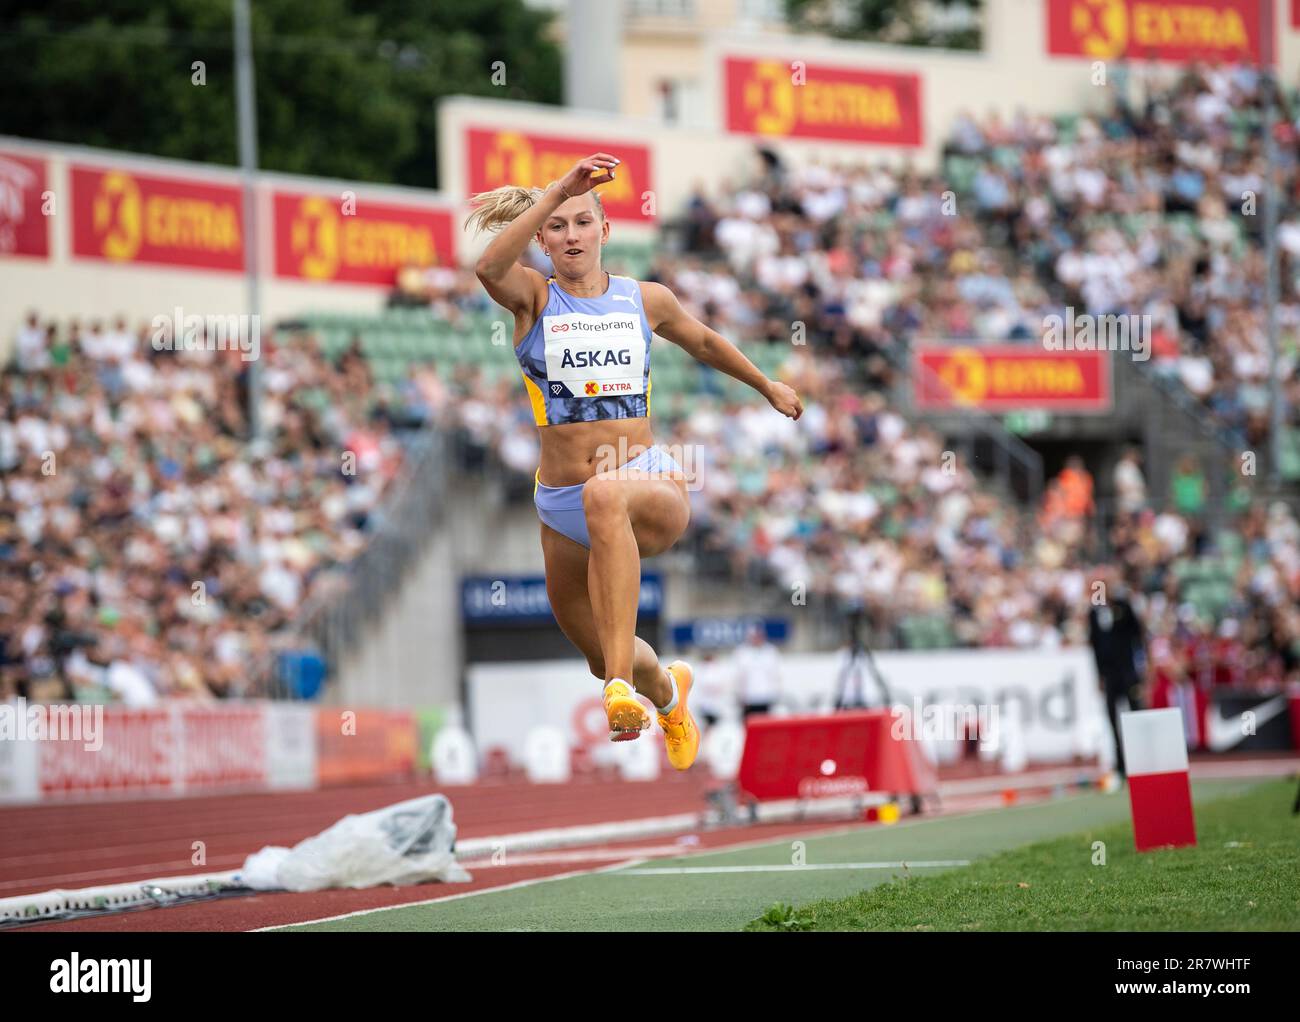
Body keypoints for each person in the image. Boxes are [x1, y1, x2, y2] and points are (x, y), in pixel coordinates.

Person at [469, 154, 803, 770]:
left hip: (646, 475)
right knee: (598, 648)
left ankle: (617, 689)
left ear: (604, 230)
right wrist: (558, 191)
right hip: (560, 502)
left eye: (582, 222)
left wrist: (767, 385)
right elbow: (488, 265)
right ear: (542, 236)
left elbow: (702, 340)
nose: (571, 236)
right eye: (558, 226)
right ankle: (668, 693)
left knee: (606, 495)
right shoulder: (533, 300)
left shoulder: (644, 299)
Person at [1087, 569, 1147, 779]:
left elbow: (1138, 637)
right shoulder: (1094, 613)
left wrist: (1143, 668)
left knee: (1136, 714)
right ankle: (1121, 764)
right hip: (1110, 675)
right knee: (1112, 719)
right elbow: (1094, 647)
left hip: (1128, 671)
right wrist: (1099, 676)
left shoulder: (1123, 606)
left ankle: (1142, 759)